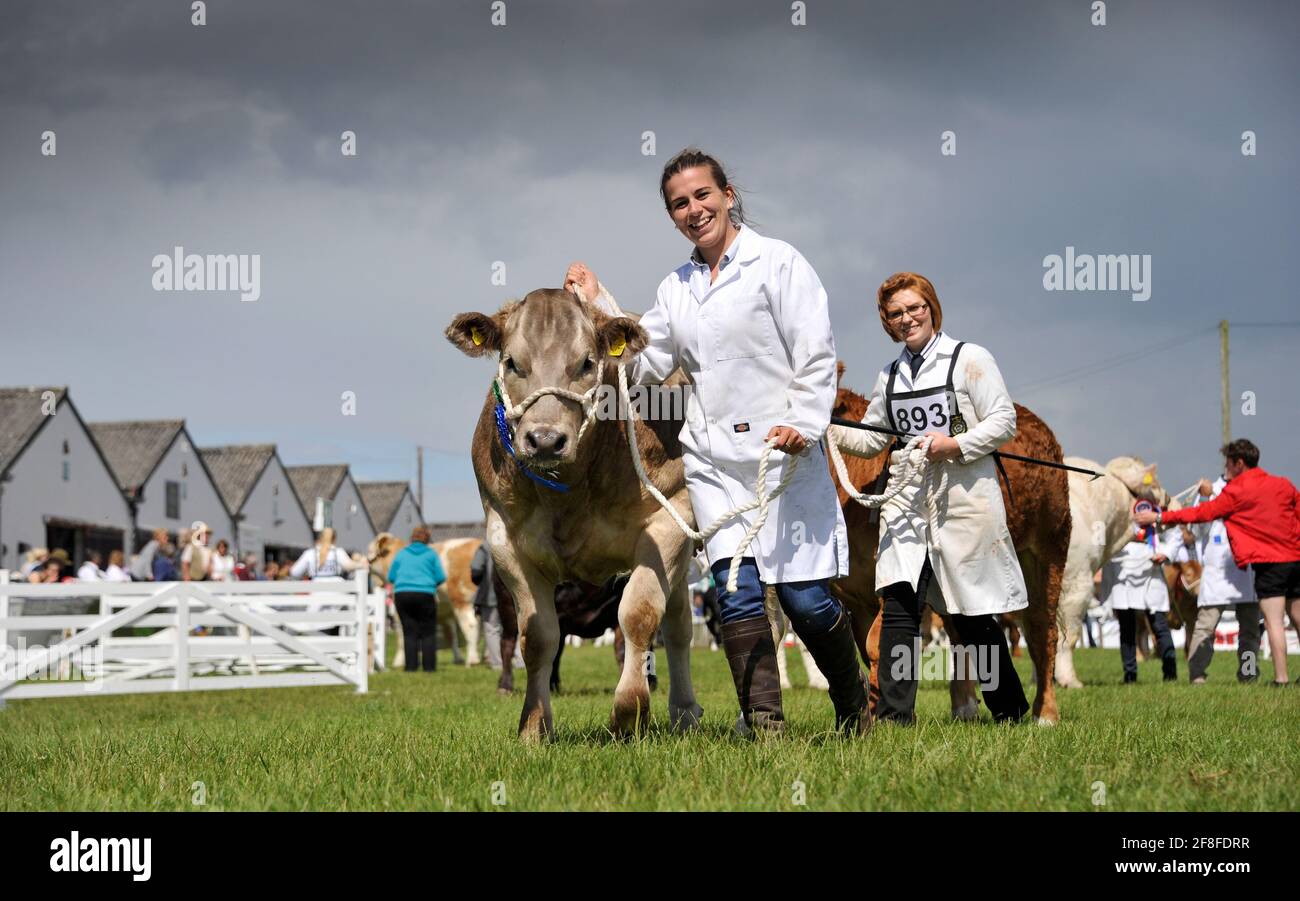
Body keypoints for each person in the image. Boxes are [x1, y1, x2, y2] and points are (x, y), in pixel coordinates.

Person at [564, 148, 870, 735]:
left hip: (783, 455)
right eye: (679, 203)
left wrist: (803, 423)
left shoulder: (778, 264)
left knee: (803, 595)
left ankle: (854, 707)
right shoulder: (676, 288)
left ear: (728, 195)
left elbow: (815, 354)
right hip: (713, 463)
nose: (693, 209)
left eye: (702, 195)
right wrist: (600, 304)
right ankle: (763, 723)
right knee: (736, 593)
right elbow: (647, 360)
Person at [830, 272, 1031, 723]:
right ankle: (895, 719)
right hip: (906, 499)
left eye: (914, 308)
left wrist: (952, 445)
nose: (907, 319)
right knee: (900, 605)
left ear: (931, 307)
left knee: (973, 614)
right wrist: (824, 427)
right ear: (887, 322)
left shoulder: (969, 358)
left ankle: (1011, 711)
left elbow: (1002, 421)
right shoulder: (891, 375)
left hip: (962, 497)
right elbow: (874, 440)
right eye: (896, 313)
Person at [1136, 438, 1300, 685]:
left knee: (1270, 623)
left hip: (1266, 565)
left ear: (1239, 463)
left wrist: (1159, 517)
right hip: (1292, 559)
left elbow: (1200, 514)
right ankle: (1199, 675)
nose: (1226, 468)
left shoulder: (1236, 491)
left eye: (1228, 463)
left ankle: (1277, 678)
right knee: (1295, 618)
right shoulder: (1283, 484)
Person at [1176, 477, 1259, 683]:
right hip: (1216, 574)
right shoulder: (1208, 491)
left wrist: (1213, 493)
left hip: (1246, 573)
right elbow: (1195, 530)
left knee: (1249, 631)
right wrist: (1207, 497)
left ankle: (1248, 673)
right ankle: (1196, 674)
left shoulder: (1253, 488)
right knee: (1205, 627)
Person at [1102, 533, 1178, 683]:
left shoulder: (1158, 509)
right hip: (1121, 564)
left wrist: (1166, 553)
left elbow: (1175, 534)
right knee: (1126, 626)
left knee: (1159, 625)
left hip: (1151, 560)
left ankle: (1170, 675)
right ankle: (1130, 675)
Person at [386, 525, 447, 672]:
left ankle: (411, 667)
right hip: (425, 594)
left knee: (409, 631)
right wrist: (430, 584)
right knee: (428, 632)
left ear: (412, 538)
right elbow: (441, 577)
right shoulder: (431, 554)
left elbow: (391, 577)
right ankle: (429, 667)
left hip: (402, 594)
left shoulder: (401, 554)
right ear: (427, 538)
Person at [470, 538, 523, 672]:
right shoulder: (517, 542)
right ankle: (520, 661)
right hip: (515, 596)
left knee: (492, 629)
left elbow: (476, 570)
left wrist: (480, 583)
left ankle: (498, 663)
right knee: (516, 628)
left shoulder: (486, 546)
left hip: (490, 596)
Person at [289, 528, 360, 581]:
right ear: (334, 539)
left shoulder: (309, 553)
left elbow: (295, 572)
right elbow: (348, 566)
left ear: (320, 538)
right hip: (337, 593)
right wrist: (360, 563)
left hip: (316, 593)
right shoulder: (338, 552)